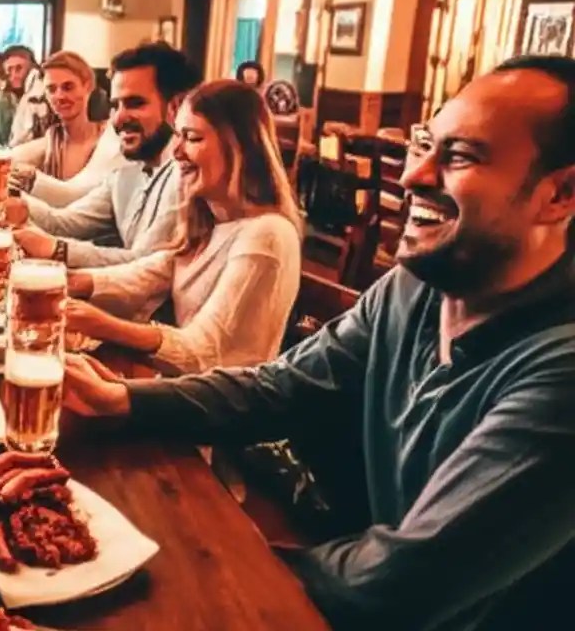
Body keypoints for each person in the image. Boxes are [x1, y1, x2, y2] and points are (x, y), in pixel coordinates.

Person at [62, 56, 575, 630]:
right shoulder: (412, 289)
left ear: (560, 194)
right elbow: (282, 386)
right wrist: (126, 400)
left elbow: (402, 581)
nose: (413, 176)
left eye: (459, 157)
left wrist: (215, 566)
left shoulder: (561, 372)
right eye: (425, 144)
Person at [65, 80, 302, 374]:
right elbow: (139, 277)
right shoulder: (212, 223)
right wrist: (62, 281)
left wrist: (100, 324)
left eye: (191, 137)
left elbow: (204, 352)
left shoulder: (267, 234)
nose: (176, 151)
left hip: (225, 412)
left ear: (238, 146)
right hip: (187, 396)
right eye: (177, 135)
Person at [10, 43, 201, 268]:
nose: (118, 119)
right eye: (115, 106)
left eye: (135, 103)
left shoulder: (186, 174)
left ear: (176, 107)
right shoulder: (128, 167)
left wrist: (57, 250)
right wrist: (15, 200)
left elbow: (142, 264)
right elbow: (63, 222)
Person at [9, 50, 126, 207]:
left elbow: (82, 197)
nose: (60, 96)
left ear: (88, 86)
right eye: (51, 89)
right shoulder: (50, 143)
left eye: (68, 87)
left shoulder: (111, 139)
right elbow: (15, 156)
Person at [3, 45, 48, 146]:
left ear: (33, 66)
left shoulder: (37, 92)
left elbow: (24, 138)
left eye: (19, 68)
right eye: (9, 70)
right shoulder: (24, 93)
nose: (14, 75)